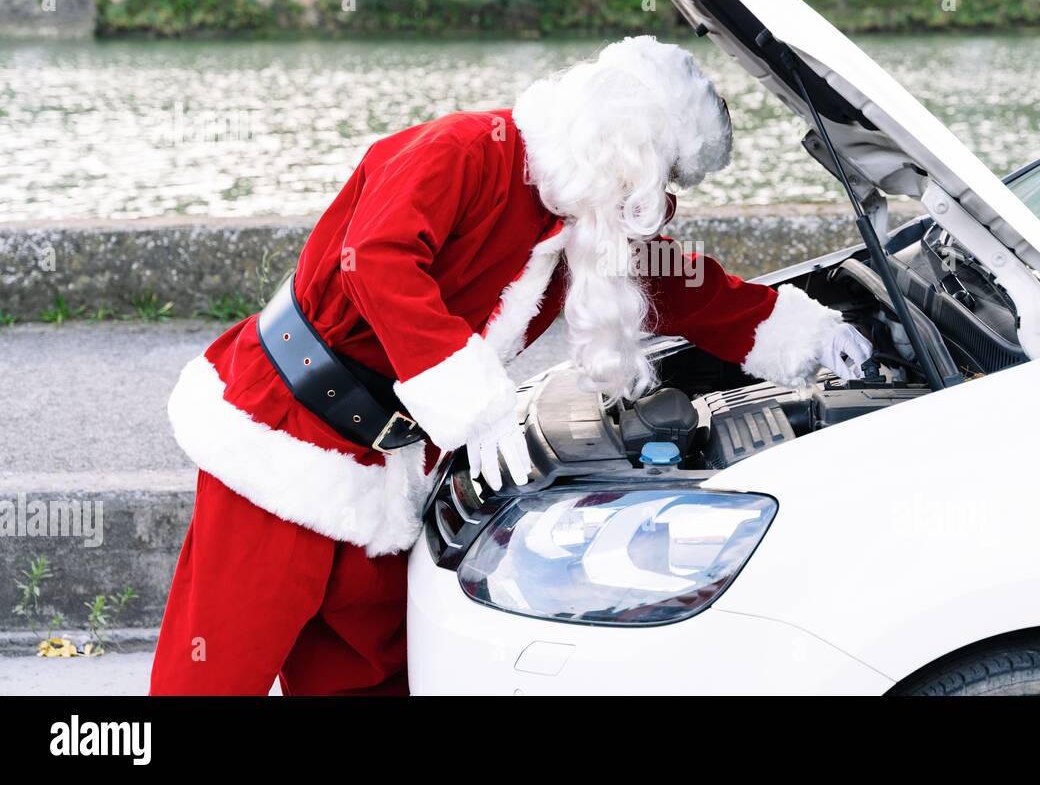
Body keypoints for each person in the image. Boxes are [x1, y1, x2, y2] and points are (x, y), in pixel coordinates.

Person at [150, 35, 873, 695]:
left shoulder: (583, 225)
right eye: (664, 178)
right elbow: (376, 258)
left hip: (388, 461)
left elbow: (685, 286)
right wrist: (477, 405)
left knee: (368, 672)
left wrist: (809, 335)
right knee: (215, 671)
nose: (664, 205)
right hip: (286, 436)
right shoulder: (461, 150)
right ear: (627, 148)